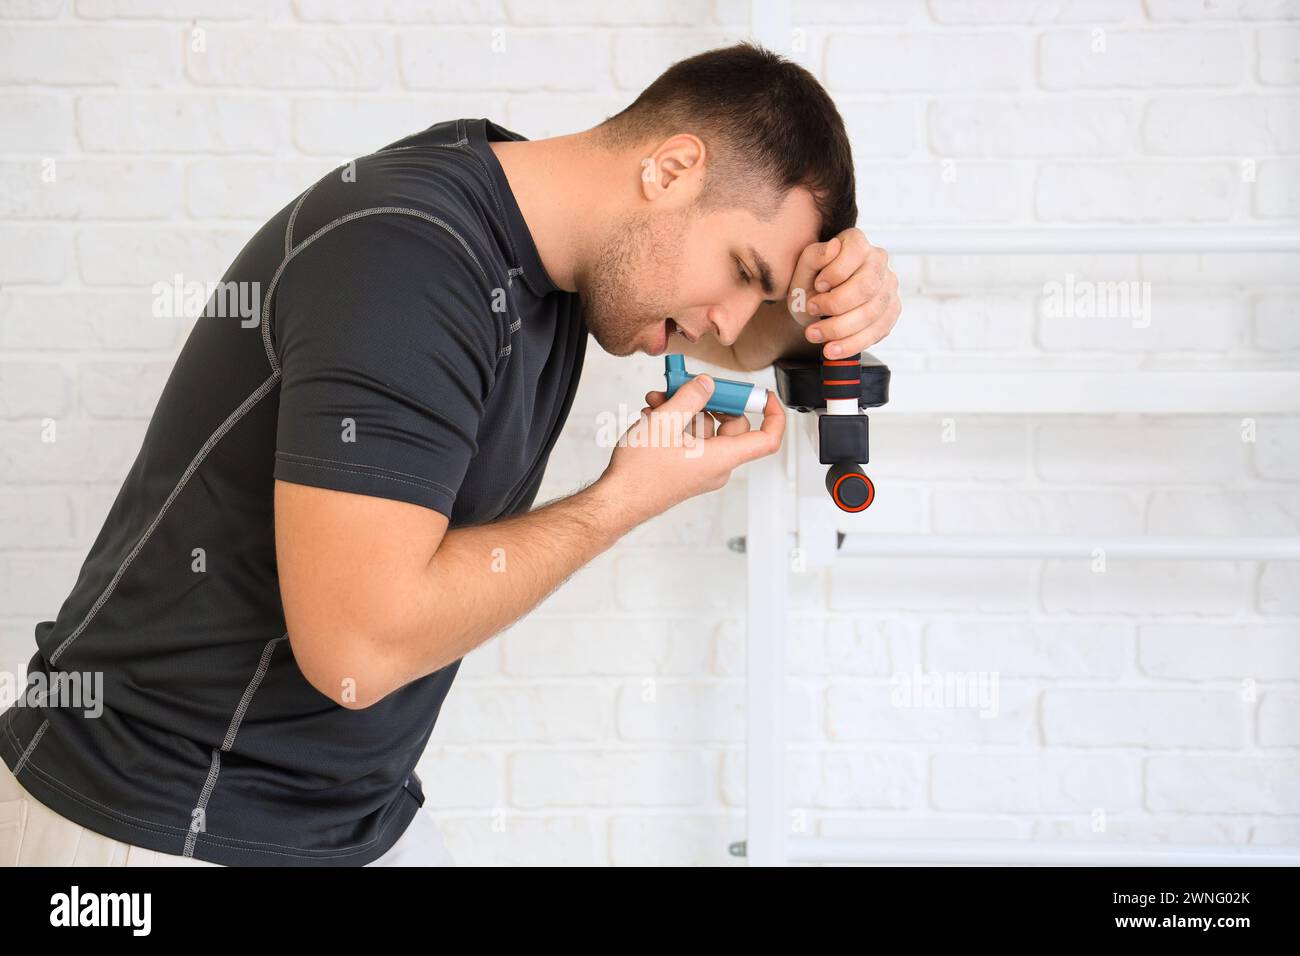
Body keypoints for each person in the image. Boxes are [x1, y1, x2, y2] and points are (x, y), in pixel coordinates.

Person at [0, 42, 901, 867]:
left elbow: (758, 345)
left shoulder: (549, 249)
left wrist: (839, 306)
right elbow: (360, 641)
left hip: (337, 814)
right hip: (149, 819)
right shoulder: (409, 262)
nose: (730, 325)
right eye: (743, 271)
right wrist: (623, 498)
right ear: (670, 169)